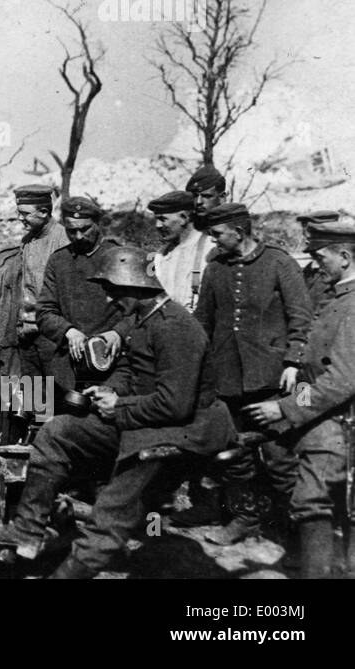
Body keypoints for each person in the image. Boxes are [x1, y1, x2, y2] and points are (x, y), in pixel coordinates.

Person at [0, 246, 234, 577]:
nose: (109, 300)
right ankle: (27, 532)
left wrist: (120, 406)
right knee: (57, 431)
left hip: (182, 430)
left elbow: (176, 404)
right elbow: (132, 370)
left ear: (134, 286)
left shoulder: (176, 327)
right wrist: (113, 390)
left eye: (113, 291)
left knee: (110, 513)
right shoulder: (143, 320)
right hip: (146, 419)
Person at [193, 201, 312, 545]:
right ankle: (246, 519)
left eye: (217, 234)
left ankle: (295, 526)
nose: (213, 241)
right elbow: (204, 320)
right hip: (227, 377)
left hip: (273, 377)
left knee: (279, 458)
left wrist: (292, 362)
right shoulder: (215, 267)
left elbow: (301, 317)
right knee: (234, 454)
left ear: (239, 232)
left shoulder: (279, 262)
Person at [244, 220, 355, 578]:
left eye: (320, 256)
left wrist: (284, 408)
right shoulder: (337, 296)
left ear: (345, 256)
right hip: (322, 416)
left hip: (340, 424)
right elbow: (313, 370)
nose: (316, 262)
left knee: (312, 503)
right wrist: (290, 406)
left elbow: (342, 380)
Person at [35, 195, 123, 391]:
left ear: (97, 224)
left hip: (113, 363)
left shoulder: (118, 256)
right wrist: (68, 331)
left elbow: (139, 310)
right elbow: (44, 312)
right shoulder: (59, 261)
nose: (79, 237)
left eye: (85, 229)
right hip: (69, 366)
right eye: (71, 231)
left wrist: (119, 333)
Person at [0, 184, 70, 379]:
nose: (20, 218)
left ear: (43, 212)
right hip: (27, 332)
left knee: (59, 397)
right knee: (34, 400)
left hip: (53, 336)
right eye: (19, 213)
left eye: (25, 214)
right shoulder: (27, 241)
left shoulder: (63, 239)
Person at [148, 190, 214, 311]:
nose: (158, 225)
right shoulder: (160, 255)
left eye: (163, 219)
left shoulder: (210, 248)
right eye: (156, 219)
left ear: (184, 217)